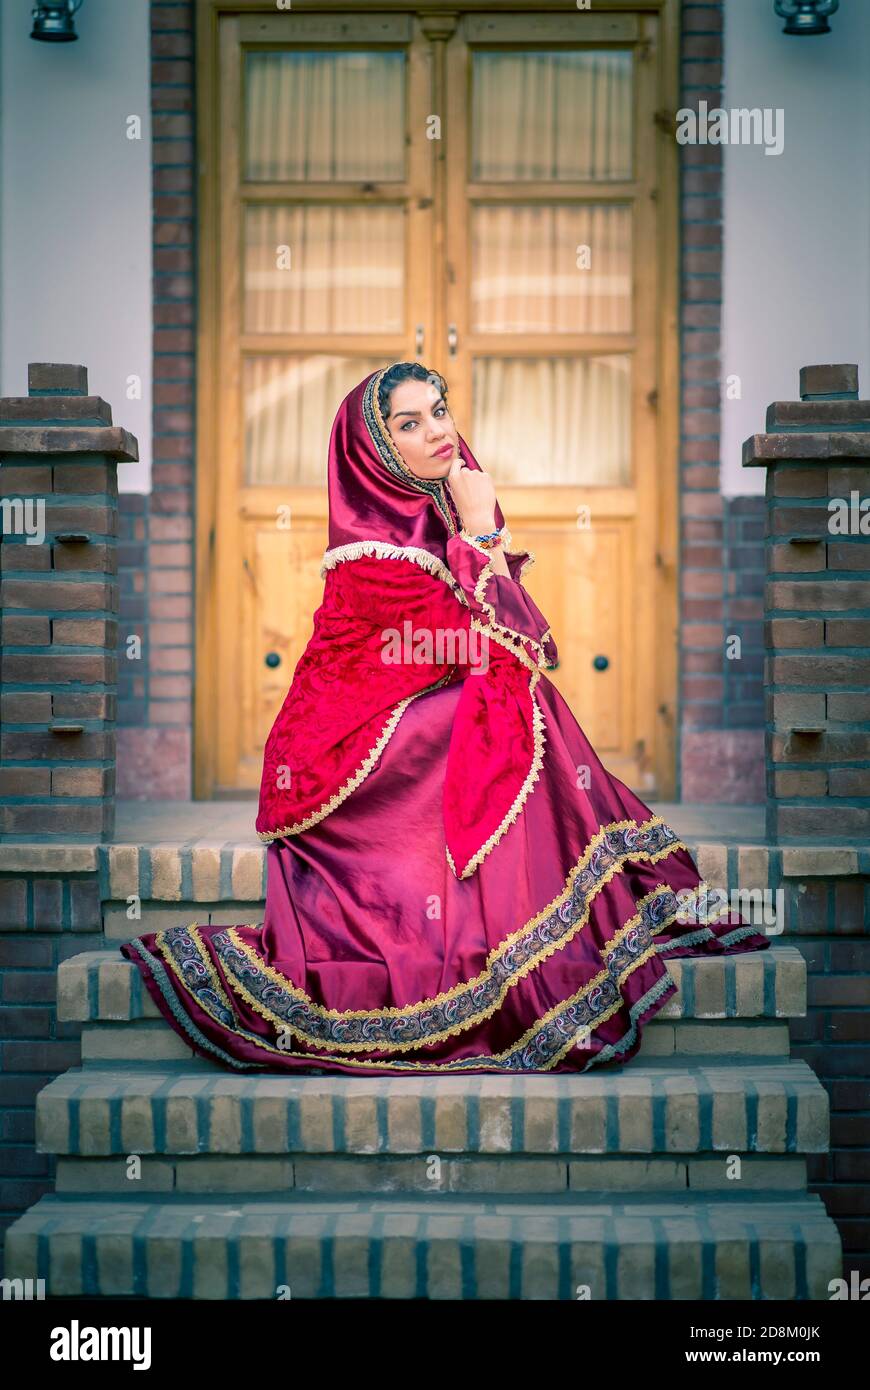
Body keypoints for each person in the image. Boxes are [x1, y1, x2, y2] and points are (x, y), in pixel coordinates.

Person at [121, 362, 770, 1075]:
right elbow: (498, 646)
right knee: (511, 704)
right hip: (339, 761)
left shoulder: (436, 511)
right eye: (410, 423)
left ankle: (562, 896)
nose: (437, 431)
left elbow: (506, 647)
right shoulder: (374, 549)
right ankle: (538, 920)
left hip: (399, 722)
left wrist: (473, 532)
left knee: (511, 706)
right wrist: (483, 531)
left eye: (439, 411)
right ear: (375, 449)